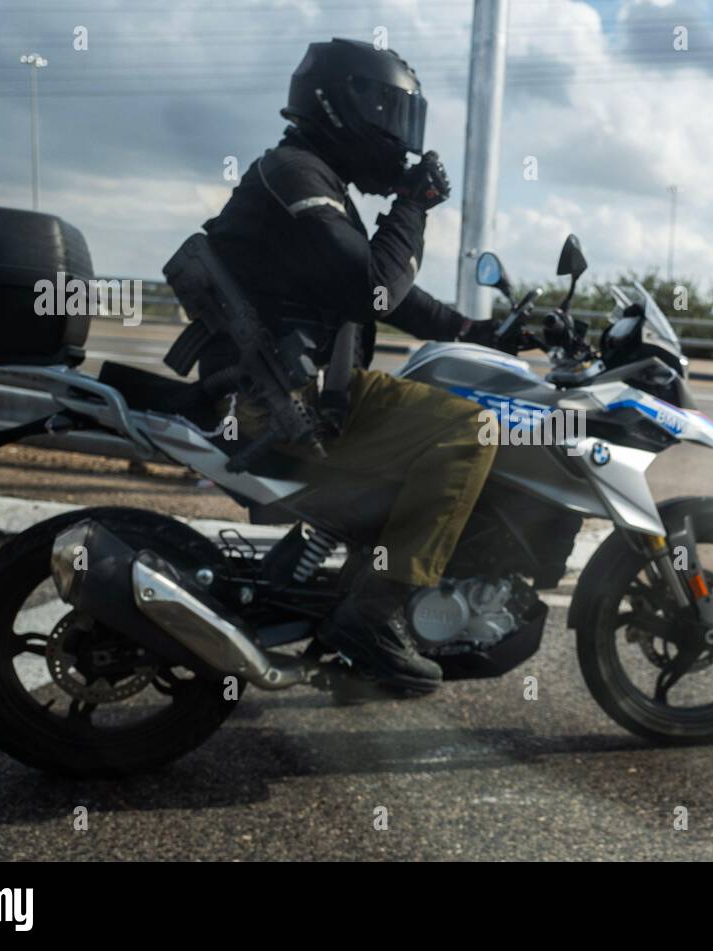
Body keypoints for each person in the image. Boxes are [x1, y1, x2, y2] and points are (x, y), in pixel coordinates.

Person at [186, 38, 498, 694]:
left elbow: (382, 289)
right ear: (345, 104)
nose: (402, 142)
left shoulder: (308, 179)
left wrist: (474, 330)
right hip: (277, 399)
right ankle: (376, 614)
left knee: (419, 420)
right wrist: (412, 205)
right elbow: (375, 288)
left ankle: (349, 607)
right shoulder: (296, 174)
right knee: (470, 429)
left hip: (284, 389)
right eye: (392, 118)